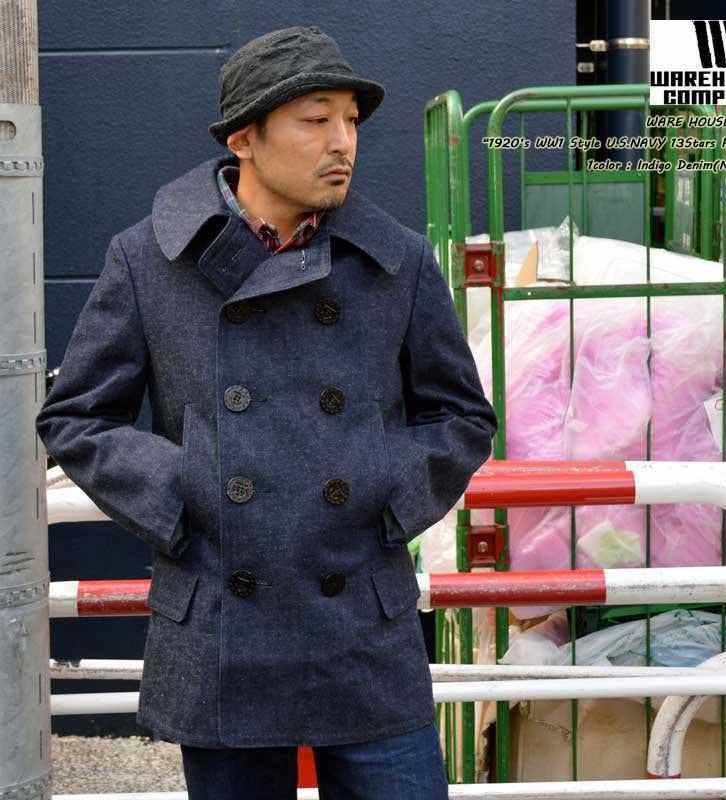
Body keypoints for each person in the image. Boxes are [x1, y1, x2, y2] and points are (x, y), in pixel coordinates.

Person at [35, 25, 497, 799]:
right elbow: (77, 417)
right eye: (316, 120)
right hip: (223, 619)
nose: (342, 141)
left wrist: (379, 489)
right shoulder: (149, 258)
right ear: (244, 138)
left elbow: (460, 416)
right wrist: (189, 489)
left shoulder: (396, 260)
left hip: (362, 621)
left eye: (350, 120)